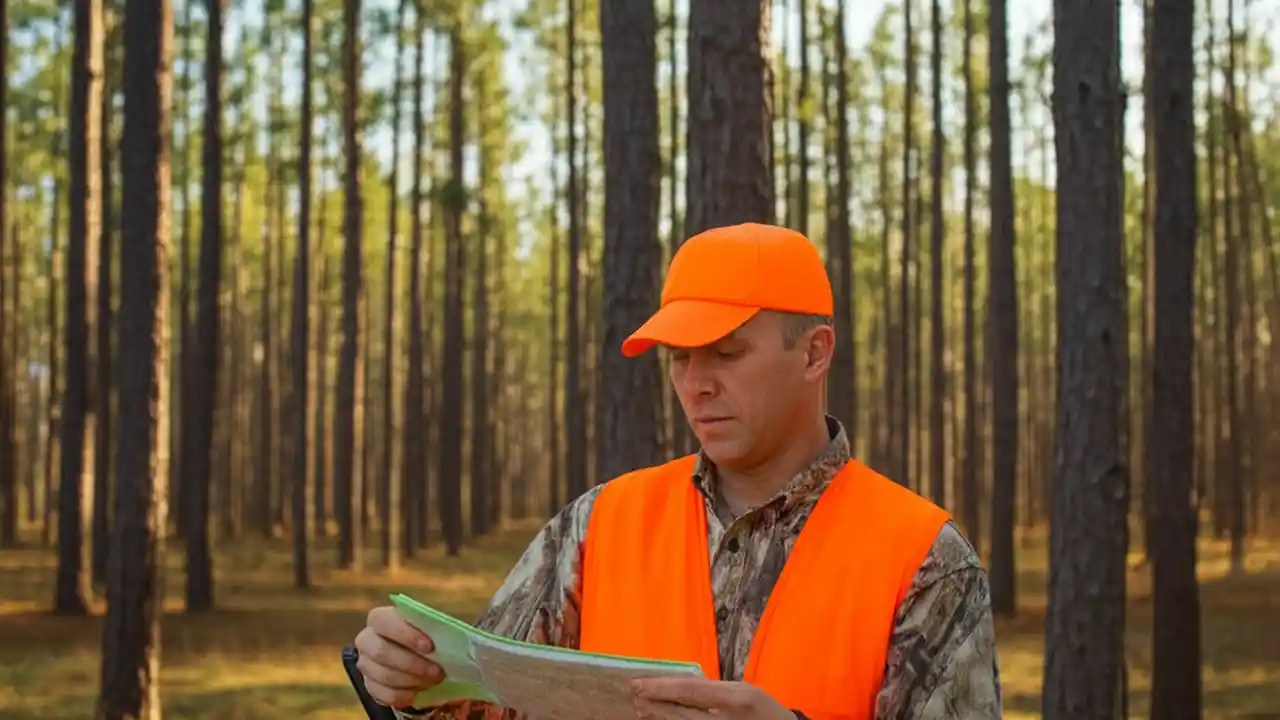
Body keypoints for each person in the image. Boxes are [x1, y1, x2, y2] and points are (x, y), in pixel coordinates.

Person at [355, 223, 1002, 719]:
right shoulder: (598, 525)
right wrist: (411, 682)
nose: (697, 385)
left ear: (813, 353)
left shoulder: (921, 557)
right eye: (679, 359)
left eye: (726, 352)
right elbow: (487, 703)